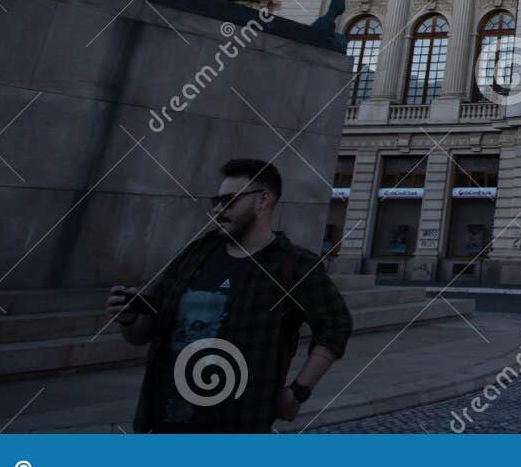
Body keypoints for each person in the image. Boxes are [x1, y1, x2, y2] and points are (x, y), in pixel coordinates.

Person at [107, 158, 353, 433]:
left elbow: (335, 324)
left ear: (263, 200)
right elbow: (144, 334)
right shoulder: (194, 255)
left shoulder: (293, 265)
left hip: (238, 422)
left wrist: (298, 391)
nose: (218, 210)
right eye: (216, 201)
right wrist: (129, 319)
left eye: (229, 200)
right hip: (159, 420)